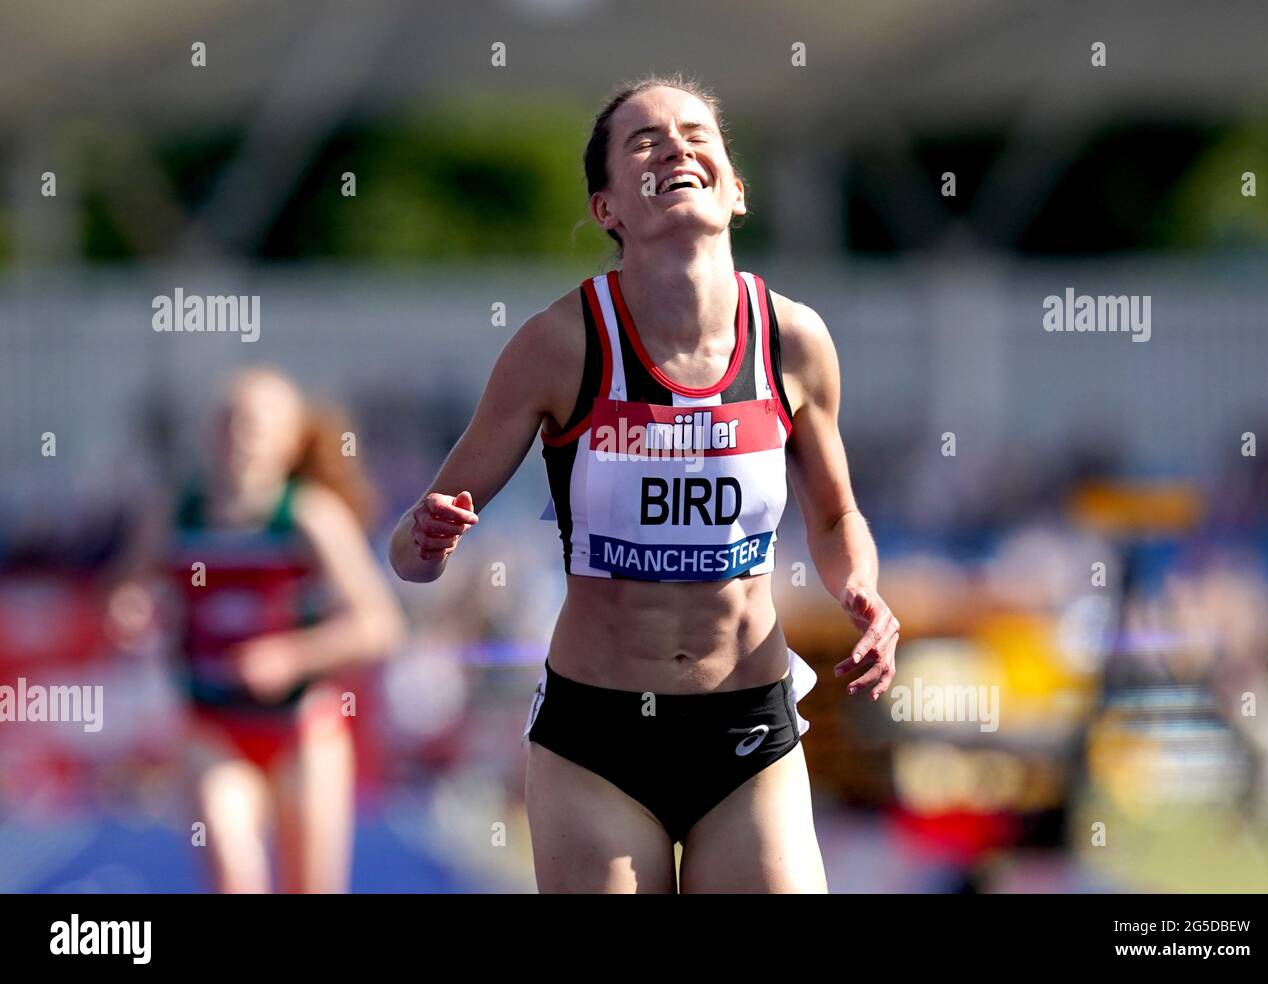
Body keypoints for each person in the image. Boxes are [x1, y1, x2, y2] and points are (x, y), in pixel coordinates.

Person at [389, 75, 900, 893]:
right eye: (643, 141)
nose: (674, 145)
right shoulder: (558, 345)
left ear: (737, 189)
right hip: (599, 742)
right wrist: (427, 538)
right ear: (607, 210)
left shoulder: (794, 341)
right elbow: (409, 557)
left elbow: (836, 517)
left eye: (697, 133)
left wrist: (861, 591)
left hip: (748, 728)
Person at [110, 366, 403, 892]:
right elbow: (124, 591)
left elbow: (379, 624)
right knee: (232, 873)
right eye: (227, 422)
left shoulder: (310, 517)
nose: (238, 437)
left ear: (289, 441)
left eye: (254, 424)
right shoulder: (177, 514)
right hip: (214, 728)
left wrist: (292, 656)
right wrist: (132, 610)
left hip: (302, 730)